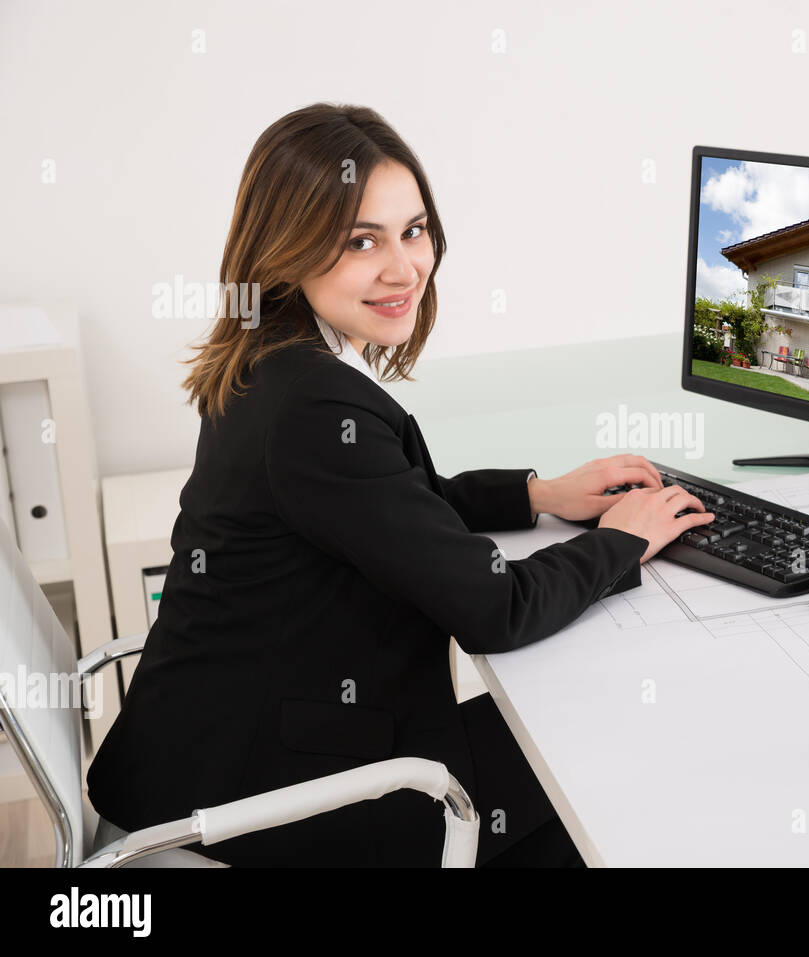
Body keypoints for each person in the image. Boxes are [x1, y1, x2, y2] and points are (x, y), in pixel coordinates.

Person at [85, 103, 716, 866]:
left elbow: (389, 507)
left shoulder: (269, 358)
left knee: (579, 731)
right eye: (360, 241)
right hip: (255, 790)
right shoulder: (312, 405)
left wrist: (539, 494)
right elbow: (498, 609)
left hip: (213, 742)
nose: (403, 267)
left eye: (413, 231)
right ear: (286, 248)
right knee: (601, 767)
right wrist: (623, 541)